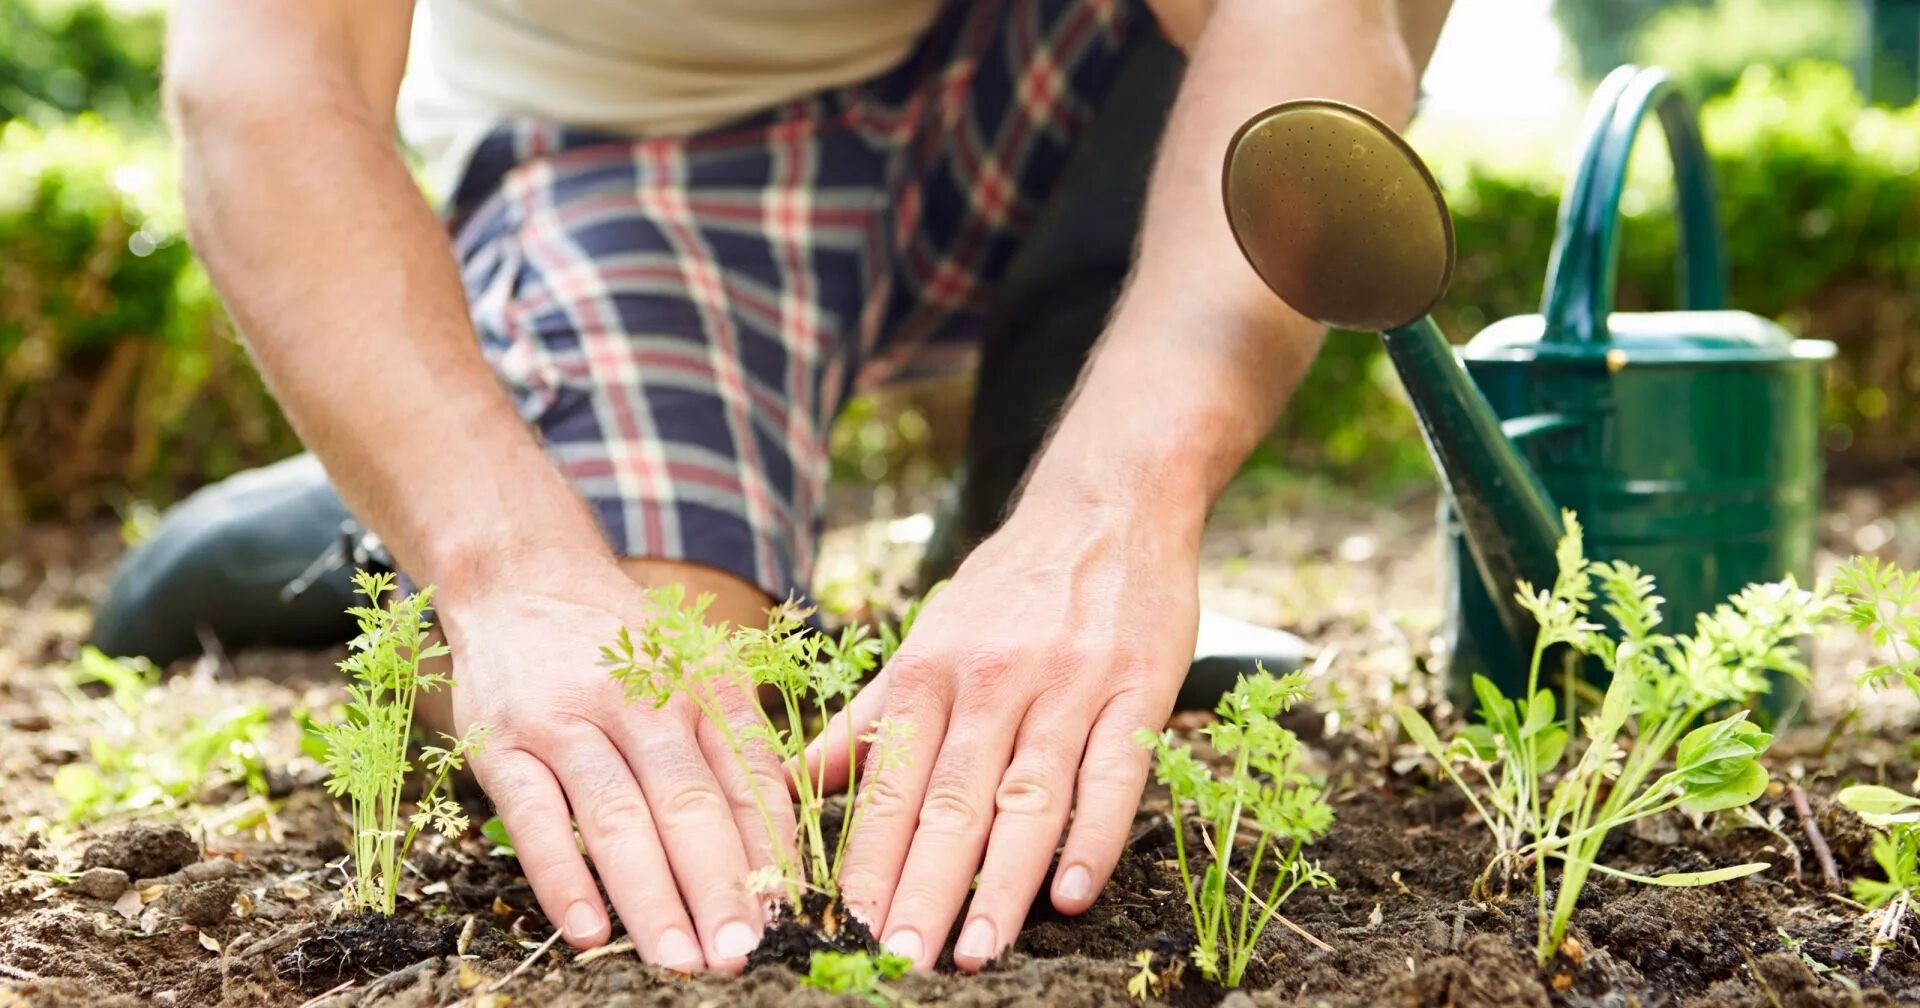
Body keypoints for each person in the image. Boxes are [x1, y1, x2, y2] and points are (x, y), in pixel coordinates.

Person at [131, 0, 1449, 978]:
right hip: (648, 129)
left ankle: (1023, 510)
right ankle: (429, 473)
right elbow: (263, 80)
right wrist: (503, 565)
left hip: (1058, 60)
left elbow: (1314, 25)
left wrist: (1114, 509)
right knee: (671, 684)